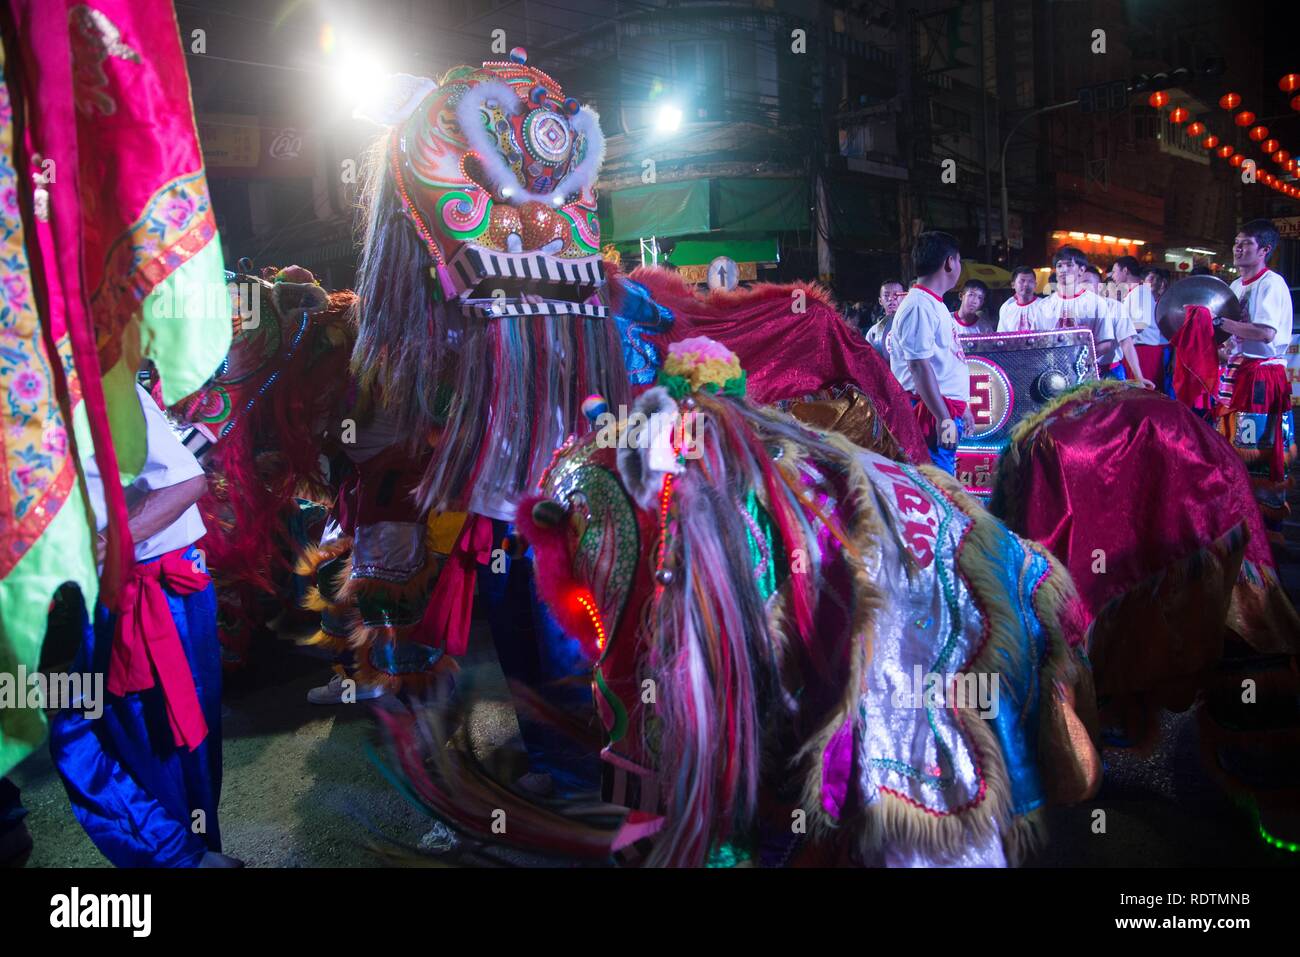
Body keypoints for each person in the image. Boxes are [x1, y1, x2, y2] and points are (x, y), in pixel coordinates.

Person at [48, 385, 238, 867]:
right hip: (111, 593)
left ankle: (188, 855)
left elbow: (184, 482)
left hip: (156, 594)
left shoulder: (101, 388)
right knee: (92, 732)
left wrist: (103, 543)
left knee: (158, 740)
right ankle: (187, 854)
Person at [1216, 219, 1294, 548]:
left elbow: (1265, 333)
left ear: (1265, 250)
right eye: (1236, 241)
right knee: (1230, 443)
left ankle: (1267, 528)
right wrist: (1222, 346)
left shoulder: (1272, 283)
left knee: (1258, 450)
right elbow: (1235, 335)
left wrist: (1224, 324)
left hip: (1262, 374)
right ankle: (1239, 516)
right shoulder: (1235, 286)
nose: (1238, 248)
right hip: (1238, 371)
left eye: (1246, 243)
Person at [889, 232, 974, 474]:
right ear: (949, 262)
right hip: (930, 414)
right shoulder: (919, 305)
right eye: (959, 261)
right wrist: (943, 417)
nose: (959, 267)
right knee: (937, 486)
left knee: (942, 482)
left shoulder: (934, 303)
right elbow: (918, 366)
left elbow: (944, 363)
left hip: (944, 409)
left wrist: (962, 406)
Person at [1038, 247, 1116, 371]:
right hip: (1050, 371)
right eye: (1059, 266)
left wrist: (1083, 359)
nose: (1063, 270)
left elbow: (1106, 343)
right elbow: (1037, 341)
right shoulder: (1043, 305)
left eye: (1069, 265)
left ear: (1081, 270)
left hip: (1084, 372)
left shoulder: (1096, 303)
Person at [1081, 268, 1154, 388]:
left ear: (1099, 286)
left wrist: (1138, 376)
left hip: (1111, 374)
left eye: (1087, 282)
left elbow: (1126, 342)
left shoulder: (1115, 307)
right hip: (1081, 374)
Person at [1135, 266, 1174, 395]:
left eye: (1155, 279)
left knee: (1156, 387)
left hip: (1159, 348)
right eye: (1149, 279)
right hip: (1148, 348)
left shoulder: (1169, 302)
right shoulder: (1142, 296)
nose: (1152, 282)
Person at [865, 279, 906, 359]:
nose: (891, 298)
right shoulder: (873, 332)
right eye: (886, 295)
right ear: (880, 301)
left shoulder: (912, 325)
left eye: (896, 294)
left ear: (904, 297)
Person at [997, 266, 1044, 331]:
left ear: (1035, 285)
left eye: (1030, 281)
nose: (1026, 284)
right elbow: (1002, 335)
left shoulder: (1044, 306)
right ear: (1013, 285)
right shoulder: (1007, 309)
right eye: (1022, 281)